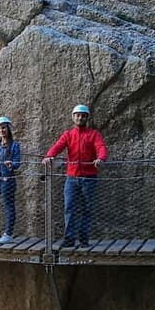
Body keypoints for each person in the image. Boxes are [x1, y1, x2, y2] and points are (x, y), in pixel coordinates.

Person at [42, 105, 108, 247]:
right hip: (71, 177)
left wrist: (101, 158)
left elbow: (101, 147)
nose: (80, 117)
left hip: (89, 177)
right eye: (77, 115)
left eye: (83, 115)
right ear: (73, 117)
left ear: (87, 118)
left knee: (86, 208)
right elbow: (58, 146)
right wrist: (49, 156)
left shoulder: (93, 134)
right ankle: (69, 239)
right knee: (69, 208)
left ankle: (84, 239)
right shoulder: (68, 134)